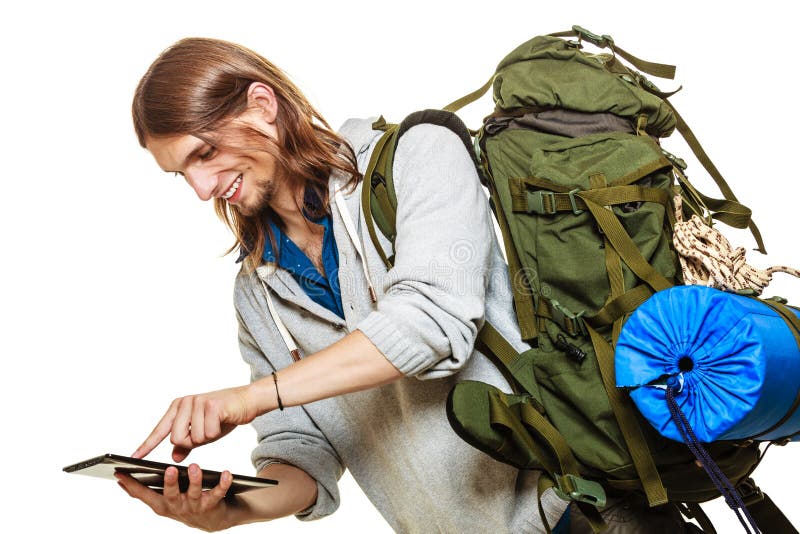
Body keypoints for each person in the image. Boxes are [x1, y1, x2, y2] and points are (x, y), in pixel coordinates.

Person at [117, 37, 687, 533]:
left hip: (578, 515)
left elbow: (432, 322)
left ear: (262, 106)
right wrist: (232, 509)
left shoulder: (420, 152)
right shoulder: (257, 291)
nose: (200, 188)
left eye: (206, 152)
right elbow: (301, 448)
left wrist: (247, 398)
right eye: (181, 173)